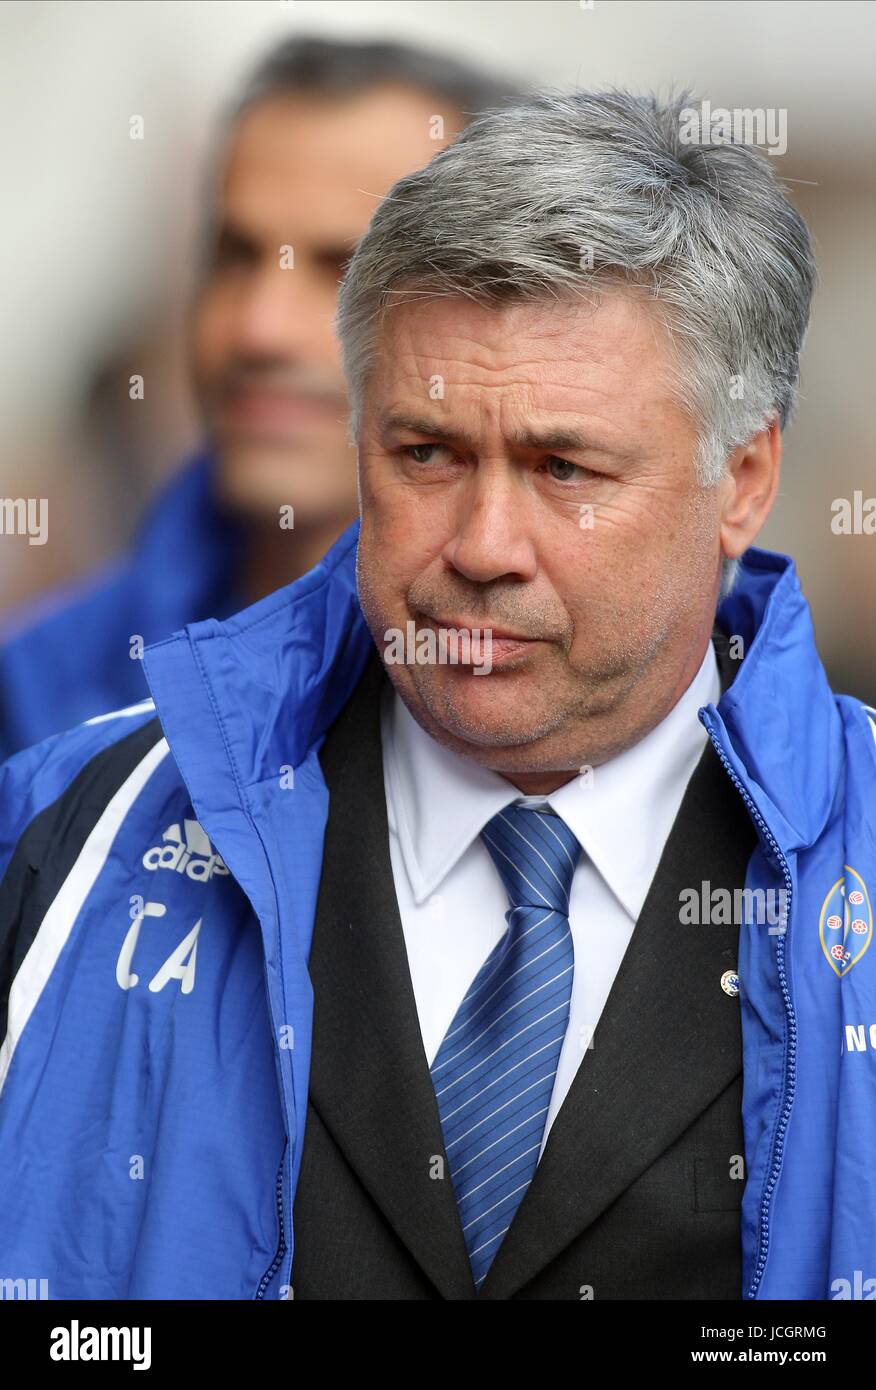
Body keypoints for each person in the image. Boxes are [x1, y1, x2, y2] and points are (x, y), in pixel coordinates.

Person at [0, 85, 873, 1302]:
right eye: (426, 454)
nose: (482, 543)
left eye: (565, 466)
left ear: (744, 478)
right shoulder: (64, 842)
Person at [0, 35, 518, 759]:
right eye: (236, 257)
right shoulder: (42, 693)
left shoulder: (599, 684)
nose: (259, 328)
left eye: (346, 269)